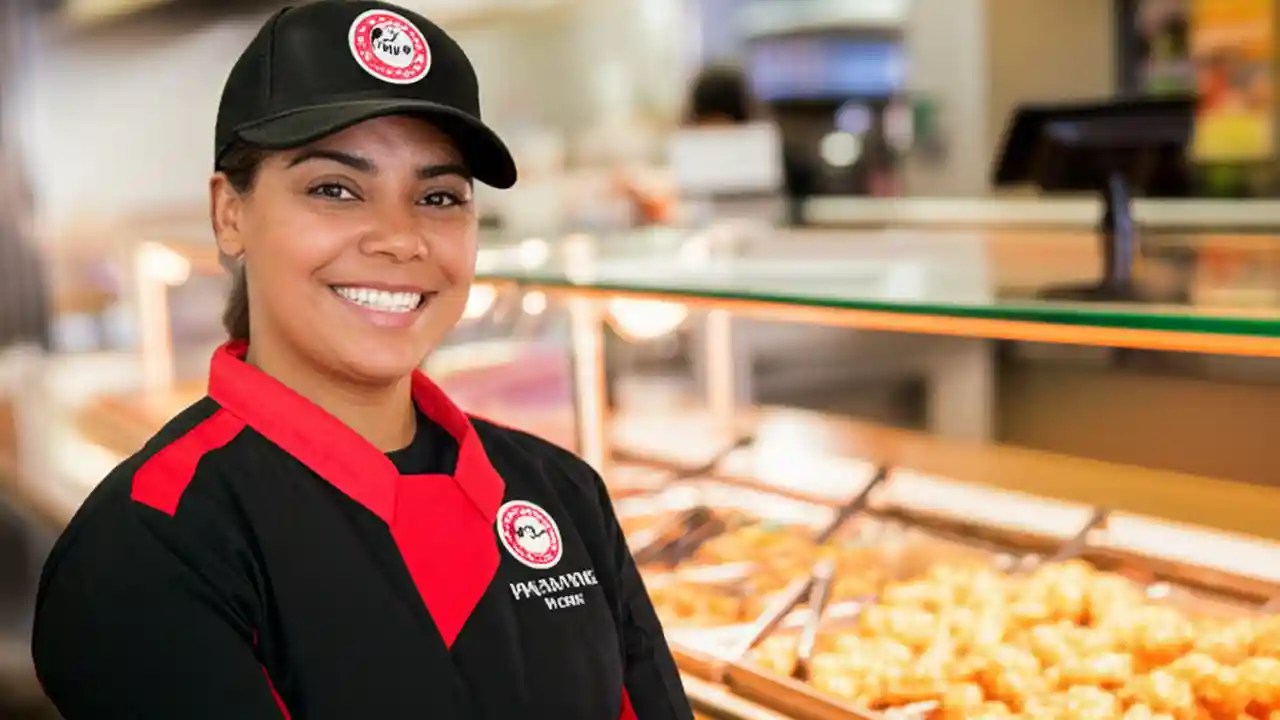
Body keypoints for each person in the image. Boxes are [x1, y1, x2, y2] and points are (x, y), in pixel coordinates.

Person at [30, 2, 693, 718]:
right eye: (335, 190)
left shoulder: (561, 492)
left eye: (438, 196)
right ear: (230, 214)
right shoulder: (147, 547)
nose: (399, 238)